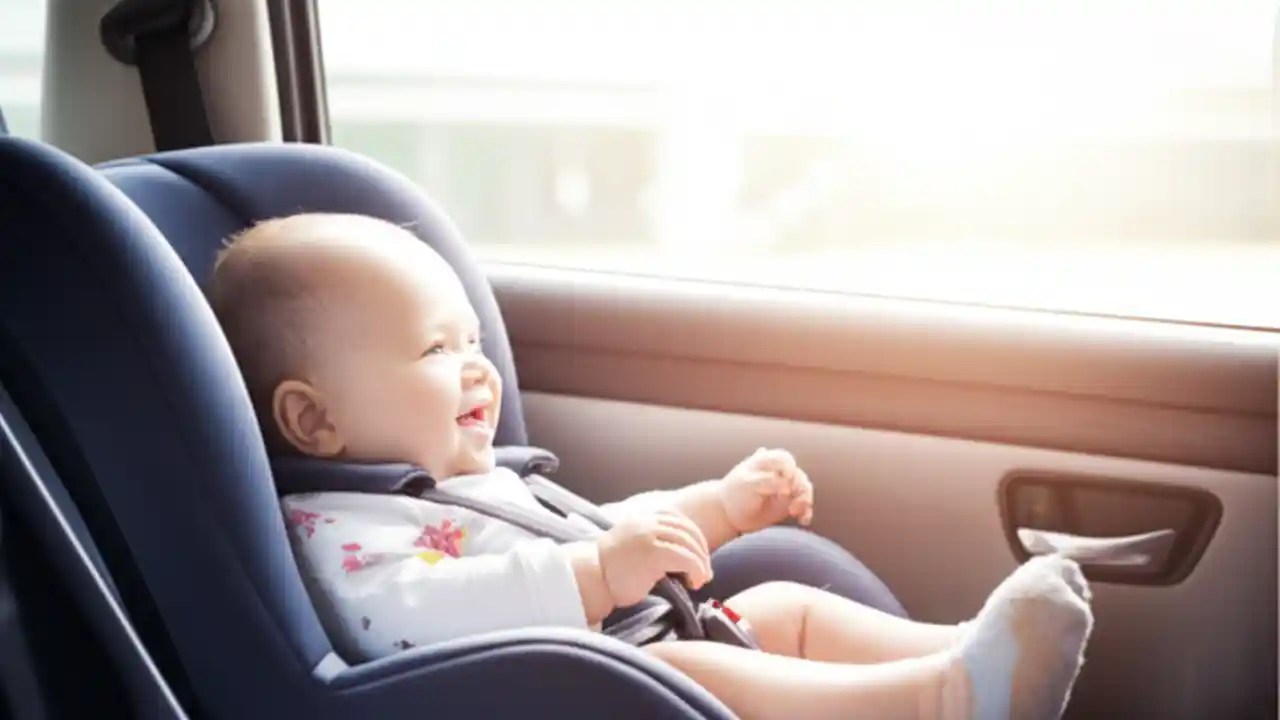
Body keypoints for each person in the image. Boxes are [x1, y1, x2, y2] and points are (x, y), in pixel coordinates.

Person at [210, 213, 1093, 719]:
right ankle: (944, 700)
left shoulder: (476, 483)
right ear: (313, 419)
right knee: (698, 670)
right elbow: (408, 624)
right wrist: (595, 573)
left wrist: (715, 507)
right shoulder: (336, 531)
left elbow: (607, 529)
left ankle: (970, 657)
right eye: (437, 349)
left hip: (632, 646)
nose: (479, 367)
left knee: (782, 609)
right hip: (573, 698)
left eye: (475, 340)